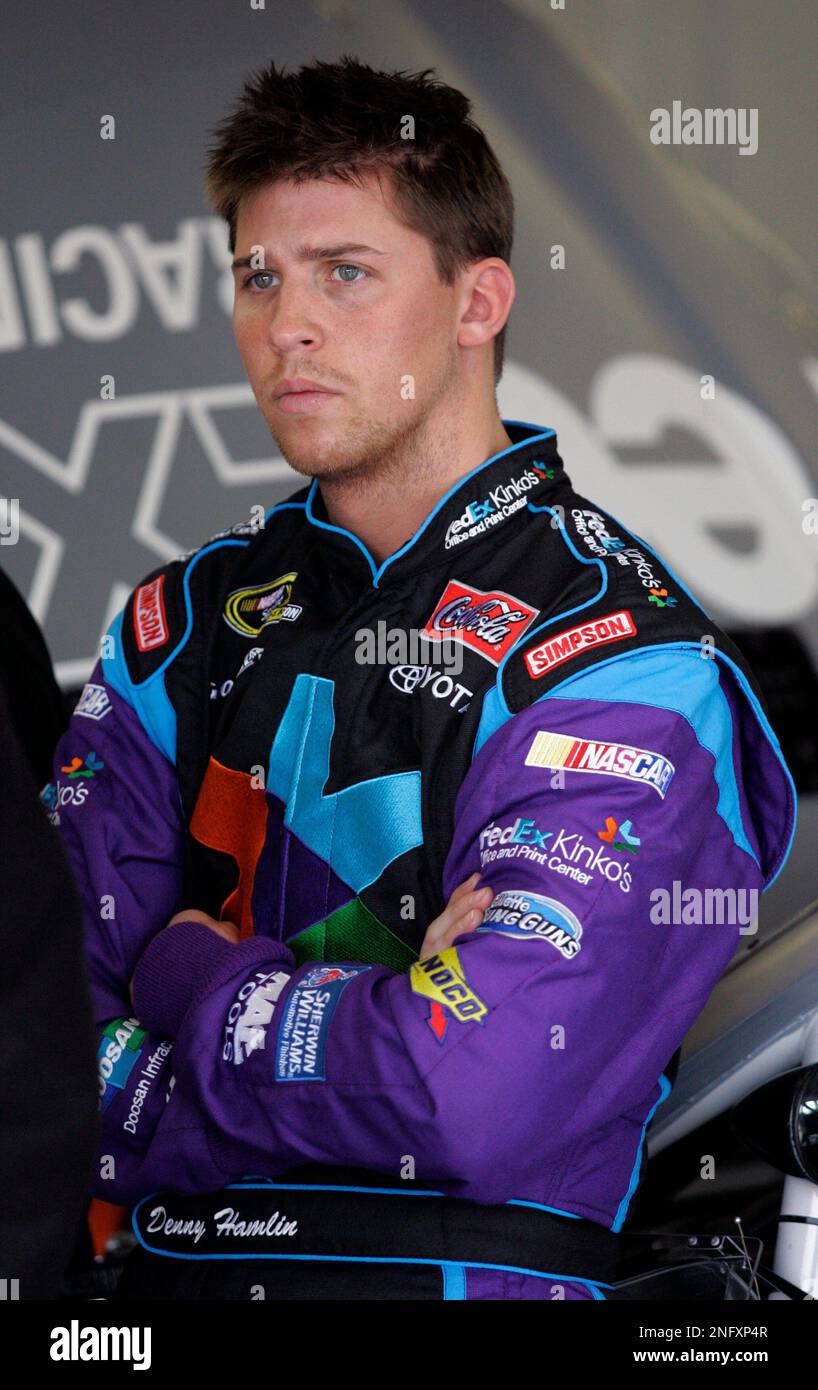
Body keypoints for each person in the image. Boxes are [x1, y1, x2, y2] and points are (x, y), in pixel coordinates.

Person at [47, 56, 796, 1301]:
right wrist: (369, 1017)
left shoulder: (623, 654)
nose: (287, 322)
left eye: (345, 273)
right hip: (161, 1297)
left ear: (476, 300)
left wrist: (190, 981)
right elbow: (39, 1062)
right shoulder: (178, 626)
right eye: (258, 276)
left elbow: (467, 1101)